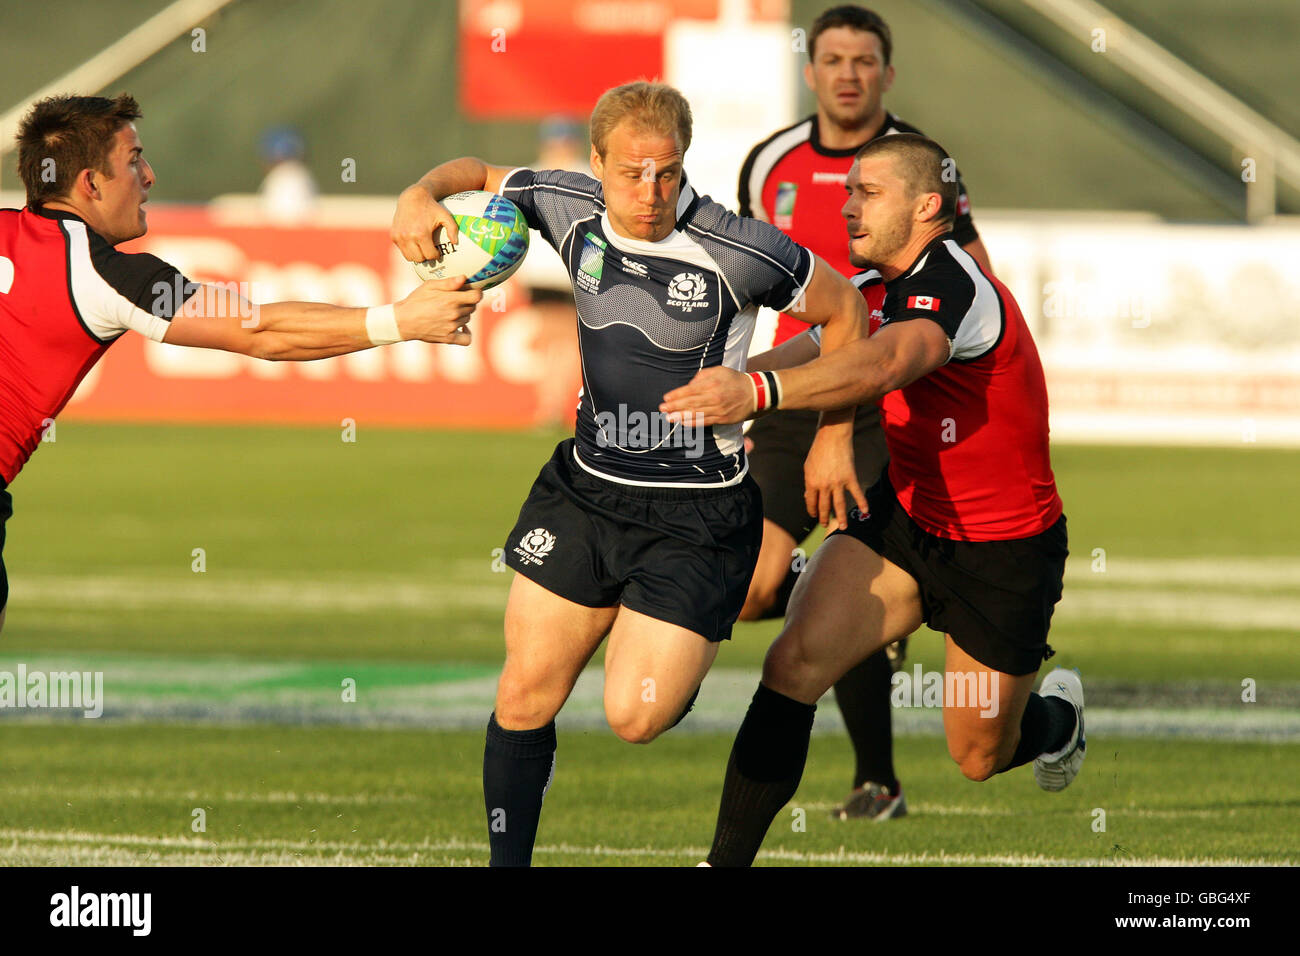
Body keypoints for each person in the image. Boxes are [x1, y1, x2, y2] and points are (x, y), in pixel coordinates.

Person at [391, 80, 871, 867]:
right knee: (523, 693)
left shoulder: (741, 250)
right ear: (596, 164)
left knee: (635, 716)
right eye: (630, 173)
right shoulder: (565, 204)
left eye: (667, 173)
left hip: (696, 514)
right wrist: (419, 193)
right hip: (585, 491)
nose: (650, 193)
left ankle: (722, 612)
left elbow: (846, 312)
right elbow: (474, 172)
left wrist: (831, 435)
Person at [659, 134, 1082, 867]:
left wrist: (754, 392)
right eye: (849, 190)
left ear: (927, 206)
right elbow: (815, 347)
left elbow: (886, 362)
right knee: (793, 665)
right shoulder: (873, 285)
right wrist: (705, 390)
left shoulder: (956, 286)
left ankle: (1058, 724)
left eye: (868, 193)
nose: (847, 205)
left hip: (1002, 550)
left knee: (978, 755)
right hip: (903, 520)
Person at [0, 94, 483, 635]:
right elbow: (259, 329)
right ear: (90, 183)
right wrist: (400, 321)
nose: (149, 176)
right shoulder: (102, 273)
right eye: (134, 160)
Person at [736, 4, 994, 822]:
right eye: (833, 59)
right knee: (752, 588)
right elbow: (749, 277)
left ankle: (878, 783)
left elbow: (972, 270)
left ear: (887, 72)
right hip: (800, 392)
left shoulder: (922, 160)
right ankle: (839, 586)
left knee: (856, 579)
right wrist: (737, 376)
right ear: (809, 70)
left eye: (863, 60)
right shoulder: (767, 162)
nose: (848, 74)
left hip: (890, 398)